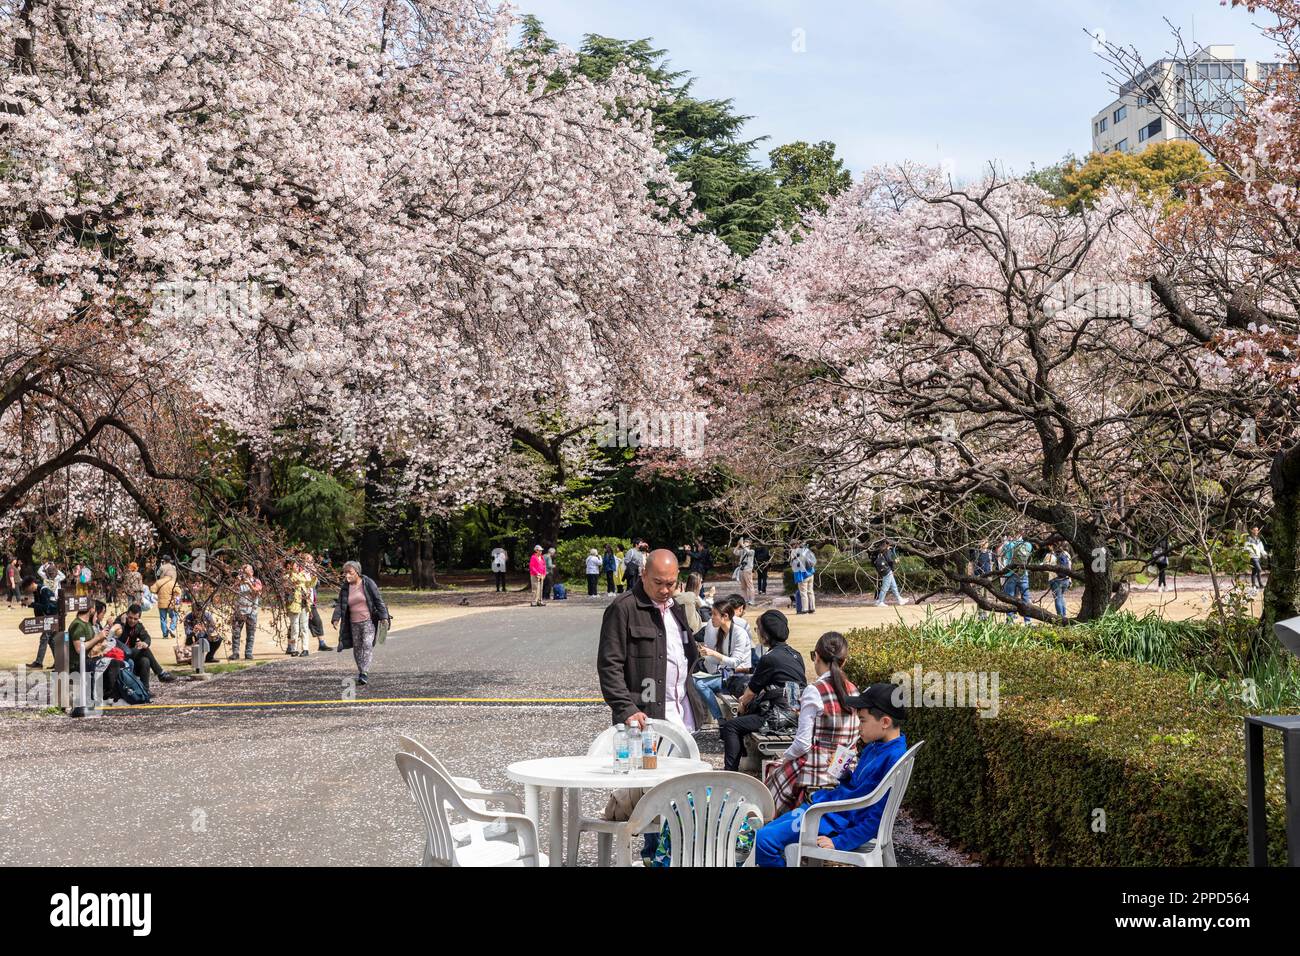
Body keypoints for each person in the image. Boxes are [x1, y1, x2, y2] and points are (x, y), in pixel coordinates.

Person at [754, 682, 908, 867]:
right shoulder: (879, 746)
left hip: (831, 820)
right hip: (826, 810)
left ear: (884, 722)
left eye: (863, 720)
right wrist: (843, 772)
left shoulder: (892, 758)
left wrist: (839, 842)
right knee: (765, 831)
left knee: (764, 841)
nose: (859, 726)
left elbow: (876, 817)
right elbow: (858, 786)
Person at [596, 548, 701, 731]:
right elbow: (609, 664)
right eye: (658, 582)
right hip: (643, 717)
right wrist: (626, 709)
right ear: (643, 574)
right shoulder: (623, 608)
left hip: (682, 714)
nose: (664, 590)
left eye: (671, 583)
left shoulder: (674, 607)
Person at [766, 632, 859, 815]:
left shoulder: (814, 691)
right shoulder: (854, 690)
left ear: (816, 656)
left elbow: (802, 744)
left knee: (773, 772)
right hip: (845, 769)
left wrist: (784, 757)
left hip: (815, 773)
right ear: (844, 661)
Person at [720, 609, 806, 772]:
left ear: (766, 634)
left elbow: (750, 692)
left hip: (778, 717)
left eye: (757, 629)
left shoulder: (770, 658)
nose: (757, 632)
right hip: (796, 714)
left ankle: (729, 772)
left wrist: (741, 705)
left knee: (731, 726)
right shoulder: (796, 654)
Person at [691, 598, 753, 722]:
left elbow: (735, 662)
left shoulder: (739, 633)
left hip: (739, 676)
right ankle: (719, 718)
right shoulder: (721, 632)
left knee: (698, 683)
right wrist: (705, 655)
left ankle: (719, 719)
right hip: (726, 675)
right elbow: (721, 661)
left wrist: (713, 653)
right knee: (693, 680)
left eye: (714, 614)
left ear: (725, 616)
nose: (711, 618)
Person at [333, 560, 391, 686]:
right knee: (358, 648)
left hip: (368, 621)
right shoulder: (345, 587)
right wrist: (336, 618)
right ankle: (361, 671)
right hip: (353, 622)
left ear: (357, 572)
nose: (347, 575)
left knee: (367, 644)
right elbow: (340, 604)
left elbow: (378, 600)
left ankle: (364, 671)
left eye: (350, 572)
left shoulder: (368, 583)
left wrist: (384, 617)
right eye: (345, 573)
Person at [113, 604, 176, 690]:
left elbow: (147, 637)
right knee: (145, 651)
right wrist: (123, 624)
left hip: (130, 654)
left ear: (139, 618)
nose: (132, 621)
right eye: (130, 617)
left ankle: (145, 690)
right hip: (118, 654)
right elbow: (119, 640)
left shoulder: (138, 625)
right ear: (127, 614)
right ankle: (160, 673)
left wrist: (145, 643)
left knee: (145, 660)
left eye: (135, 619)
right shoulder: (119, 622)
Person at [23, 575, 60, 668]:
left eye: (27, 588)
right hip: (49, 618)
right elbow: (39, 607)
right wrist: (30, 605)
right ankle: (59, 662)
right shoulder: (37, 592)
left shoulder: (44, 590)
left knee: (44, 638)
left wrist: (31, 604)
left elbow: (47, 607)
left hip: (52, 618)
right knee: (51, 640)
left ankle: (39, 663)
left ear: (32, 584)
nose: (27, 591)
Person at [284, 556, 316, 657]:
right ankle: (293, 649)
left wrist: (314, 575)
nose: (298, 566)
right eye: (296, 564)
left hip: (304, 604)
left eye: (298, 565)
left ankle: (305, 648)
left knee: (304, 627)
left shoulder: (302, 575)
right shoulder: (287, 576)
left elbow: (310, 584)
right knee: (295, 628)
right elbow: (290, 583)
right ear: (290, 566)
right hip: (294, 605)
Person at [230, 564, 262, 660]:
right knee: (236, 633)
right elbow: (232, 590)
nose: (244, 572)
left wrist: (249, 584)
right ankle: (235, 653)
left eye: (246, 570)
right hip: (239, 610)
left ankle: (248, 653)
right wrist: (238, 581)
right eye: (243, 570)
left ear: (251, 572)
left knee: (250, 634)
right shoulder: (239, 581)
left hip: (252, 610)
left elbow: (257, 592)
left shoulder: (256, 581)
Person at [1001, 531, 1033, 624]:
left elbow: (1005, 560)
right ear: (1022, 533)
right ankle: (1028, 621)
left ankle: (1010, 621)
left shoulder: (1009, 545)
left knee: (1010, 598)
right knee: (1026, 598)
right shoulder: (1028, 545)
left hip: (1011, 574)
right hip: (1023, 574)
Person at [150, 560, 179, 642]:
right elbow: (178, 591)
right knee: (174, 616)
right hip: (171, 603)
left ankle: (165, 634)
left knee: (163, 619)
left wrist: (158, 592)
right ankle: (172, 628)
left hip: (161, 603)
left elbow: (152, 589)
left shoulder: (159, 582)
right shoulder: (173, 582)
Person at [872, 541, 907, 607]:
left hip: (884, 570)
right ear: (888, 545)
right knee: (885, 586)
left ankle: (899, 599)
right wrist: (896, 561)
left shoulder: (880, 552)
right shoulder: (887, 551)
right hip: (887, 571)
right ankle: (880, 601)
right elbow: (890, 561)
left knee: (894, 586)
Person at [791, 540, 817, 614]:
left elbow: (793, 564)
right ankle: (812, 608)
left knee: (803, 593)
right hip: (811, 573)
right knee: (810, 592)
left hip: (802, 575)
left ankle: (804, 609)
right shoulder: (806, 550)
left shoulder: (794, 552)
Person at [1050, 541, 1072, 621]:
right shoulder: (1067, 554)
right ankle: (1064, 616)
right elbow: (1070, 567)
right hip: (1066, 579)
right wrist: (1070, 579)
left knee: (1057, 598)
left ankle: (1060, 618)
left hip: (1056, 580)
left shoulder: (1052, 556)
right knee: (1061, 597)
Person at [973, 539, 995, 619]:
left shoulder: (990, 553)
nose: (986, 543)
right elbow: (972, 565)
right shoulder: (976, 553)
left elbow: (992, 564)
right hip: (979, 577)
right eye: (984, 542)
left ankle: (985, 614)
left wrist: (991, 575)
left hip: (988, 577)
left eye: (987, 542)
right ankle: (980, 614)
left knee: (986, 596)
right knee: (979, 596)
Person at [733, 539, 756, 604]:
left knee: (750, 585)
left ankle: (752, 600)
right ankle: (745, 600)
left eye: (747, 542)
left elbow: (748, 553)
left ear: (750, 544)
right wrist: (738, 545)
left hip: (748, 570)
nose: (745, 543)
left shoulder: (752, 551)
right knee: (743, 586)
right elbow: (735, 552)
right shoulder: (742, 551)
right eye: (745, 541)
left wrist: (742, 545)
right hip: (741, 569)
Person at [1246, 527, 1267, 591]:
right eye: (1255, 530)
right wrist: (1251, 552)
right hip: (1253, 557)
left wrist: (1265, 555)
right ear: (1252, 531)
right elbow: (1246, 547)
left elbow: (1262, 549)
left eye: (1257, 530)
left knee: (1254, 572)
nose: (1256, 531)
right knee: (1259, 569)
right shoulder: (1249, 539)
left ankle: (1253, 585)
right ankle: (1260, 584)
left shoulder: (1258, 540)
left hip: (1258, 558)